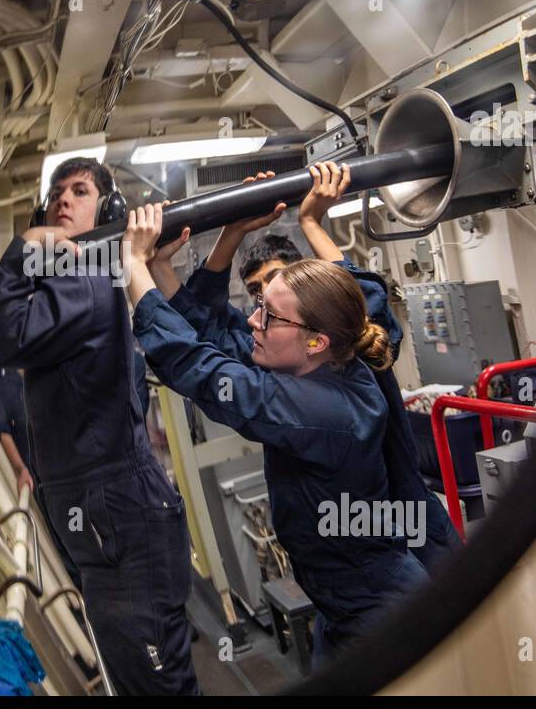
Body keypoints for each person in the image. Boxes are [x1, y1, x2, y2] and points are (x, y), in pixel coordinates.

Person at [120, 202, 430, 669]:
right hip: (341, 601)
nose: (253, 321)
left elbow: (203, 370)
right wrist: (169, 262)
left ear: (315, 340)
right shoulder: (316, 362)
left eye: (269, 315)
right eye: (258, 304)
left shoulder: (324, 408)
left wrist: (131, 268)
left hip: (378, 607)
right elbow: (216, 340)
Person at [0, 158, 199, 696]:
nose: (62, 201)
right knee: (140, 675)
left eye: (79, 191)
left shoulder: (86, 279)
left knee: (154, 683)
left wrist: (25, 246)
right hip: (106, 513)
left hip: (115, 509)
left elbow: (3, 338)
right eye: (56, 192)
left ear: (107, 211)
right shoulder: (75, 281)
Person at [179, 162, 458, 571]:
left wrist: (311, 221)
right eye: (257, 292)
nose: (267, 297)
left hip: (406, 517)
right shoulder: (269, 351)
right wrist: (232, 231)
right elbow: (205, 320)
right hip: (332, 558)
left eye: (278, 282)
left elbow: (365, 301)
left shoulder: (350, 337)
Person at [0, 365, 82, 587]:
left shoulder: (40, 367)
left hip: (68, 470)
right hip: (44, 481)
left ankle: (91, 573)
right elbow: (3, 431)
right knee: (67, 536)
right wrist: (20, 469)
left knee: (80, 526)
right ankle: (82, 583)